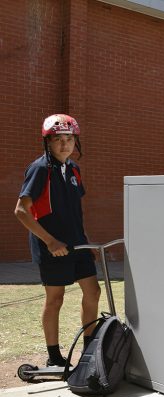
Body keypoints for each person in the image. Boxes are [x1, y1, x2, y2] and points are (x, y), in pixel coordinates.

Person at [14, 114, 101, 367]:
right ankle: (54, 358)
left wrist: (87, 240)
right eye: (58, 140)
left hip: (78, 244)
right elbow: (21, 210)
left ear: (75, 141)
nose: (65, 144)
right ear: (48, 142)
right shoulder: (40, 169)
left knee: (93, 291)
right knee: (56, 299)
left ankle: (88, 353)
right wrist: (50, 241)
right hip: (51, 247)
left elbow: (72, 210)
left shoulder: (74, 169)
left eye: (69, 139)